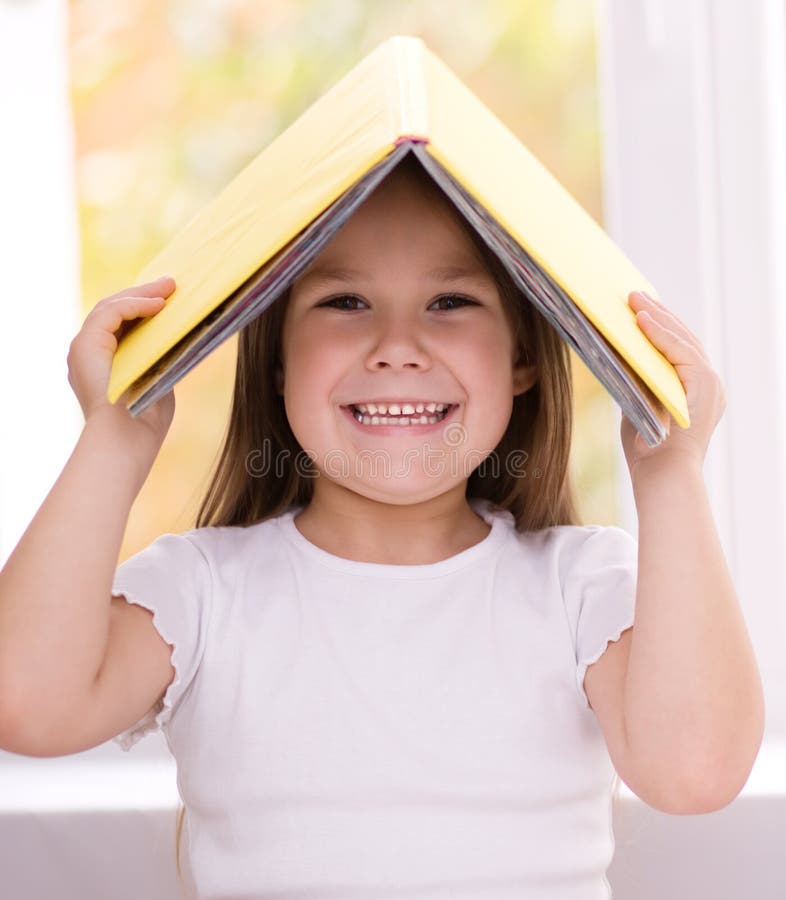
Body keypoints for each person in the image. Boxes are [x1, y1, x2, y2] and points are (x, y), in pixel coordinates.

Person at [0, 154, 764, 899]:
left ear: (522, 358)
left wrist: (671, 472)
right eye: (345, 302)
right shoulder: (201, 591)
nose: (398, 348)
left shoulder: (580, 586)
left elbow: (695, 772)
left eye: (450, 301)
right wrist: (114, 437)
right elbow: (25, 703)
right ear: (277, 360)